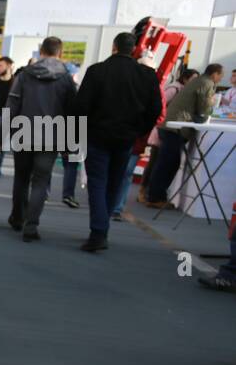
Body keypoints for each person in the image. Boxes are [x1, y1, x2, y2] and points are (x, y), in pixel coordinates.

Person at [70, 31, 162, 252]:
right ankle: (102, 229)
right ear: (133, 50)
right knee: (114, 183)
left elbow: (81, 106)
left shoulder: (97, 71)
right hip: (126, 138)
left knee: (97, 182)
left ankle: (99, 231)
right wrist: (140, 131)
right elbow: (156, 109)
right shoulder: (147, 76)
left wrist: (77, 134)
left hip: (97, 136)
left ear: (113, 47)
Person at [5, 37, 77, 242]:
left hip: (23, 132)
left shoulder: (26, 74)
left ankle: (17, 217)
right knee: (40, 181)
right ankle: (32, 225)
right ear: (60, 53)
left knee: (21, 178)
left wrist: (3, 134)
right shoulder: (66, 78)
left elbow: (12, 103)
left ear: (41, 51)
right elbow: (72, 111)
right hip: (52, 136)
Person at [142, 63, 223, 208]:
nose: (221, 78)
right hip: (176, 127)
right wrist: (210, 108)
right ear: (215, 74)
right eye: (221, 75)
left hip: (172, 126)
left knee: (165, 162)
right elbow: (204, 109)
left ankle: (153, 194)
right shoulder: (207, 83)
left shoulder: (199, 81)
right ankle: (155, 197)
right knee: (168, 163)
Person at [138, 68, 194, 203]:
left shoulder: (185, 91)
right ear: (185, 79)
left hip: (167, 128)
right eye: (193, 78)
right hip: (163, 128)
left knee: (157, 160)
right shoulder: (175, 89)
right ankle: (143, 191)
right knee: (154, 160)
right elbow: (161, 105)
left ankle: (146, 191)